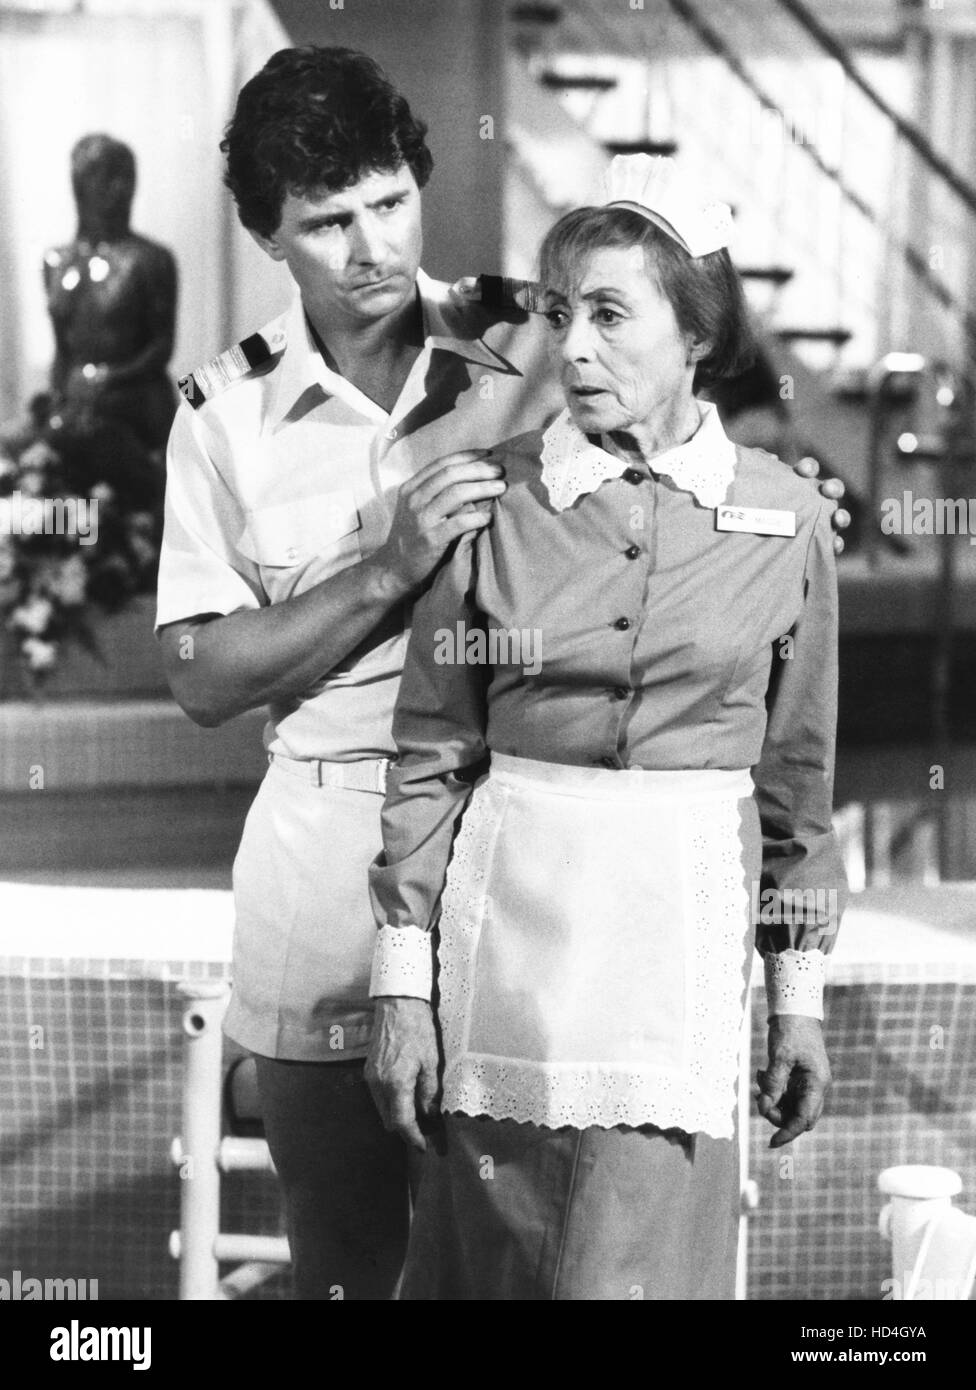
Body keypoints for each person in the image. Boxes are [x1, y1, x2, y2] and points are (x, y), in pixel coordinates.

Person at [156, 46, 848, 1301]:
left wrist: (770, 516)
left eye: (387, 201)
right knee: (352, 1253)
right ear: (268, 236)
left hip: (534, 868)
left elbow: (674, 356)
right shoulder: (221, 415)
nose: (369, 245)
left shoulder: (530, 326)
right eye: (325, 222)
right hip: (335, 840)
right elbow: (202, 677)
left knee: (522, 1251)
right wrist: (382, 570)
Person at [365, 155, 849, 1301]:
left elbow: (796, 790)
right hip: (502, 976)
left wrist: (797, 1005)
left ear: (695, 334)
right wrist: (398, 987)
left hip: (672, 982)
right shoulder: (489, 503)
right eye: (556, 311)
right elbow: (430, 758)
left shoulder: (785, 520)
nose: (570, 346)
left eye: (607, 313)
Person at [44, 134, 177, 452]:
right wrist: (59, 395)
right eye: (107, 176)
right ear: (80, 184)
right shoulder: (57, 261)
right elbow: (63, 349)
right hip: (77, 404)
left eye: (128, 176)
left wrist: (107, 377)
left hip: (136, 403)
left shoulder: (150, 259)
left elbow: (162, 345)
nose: (121, 188)